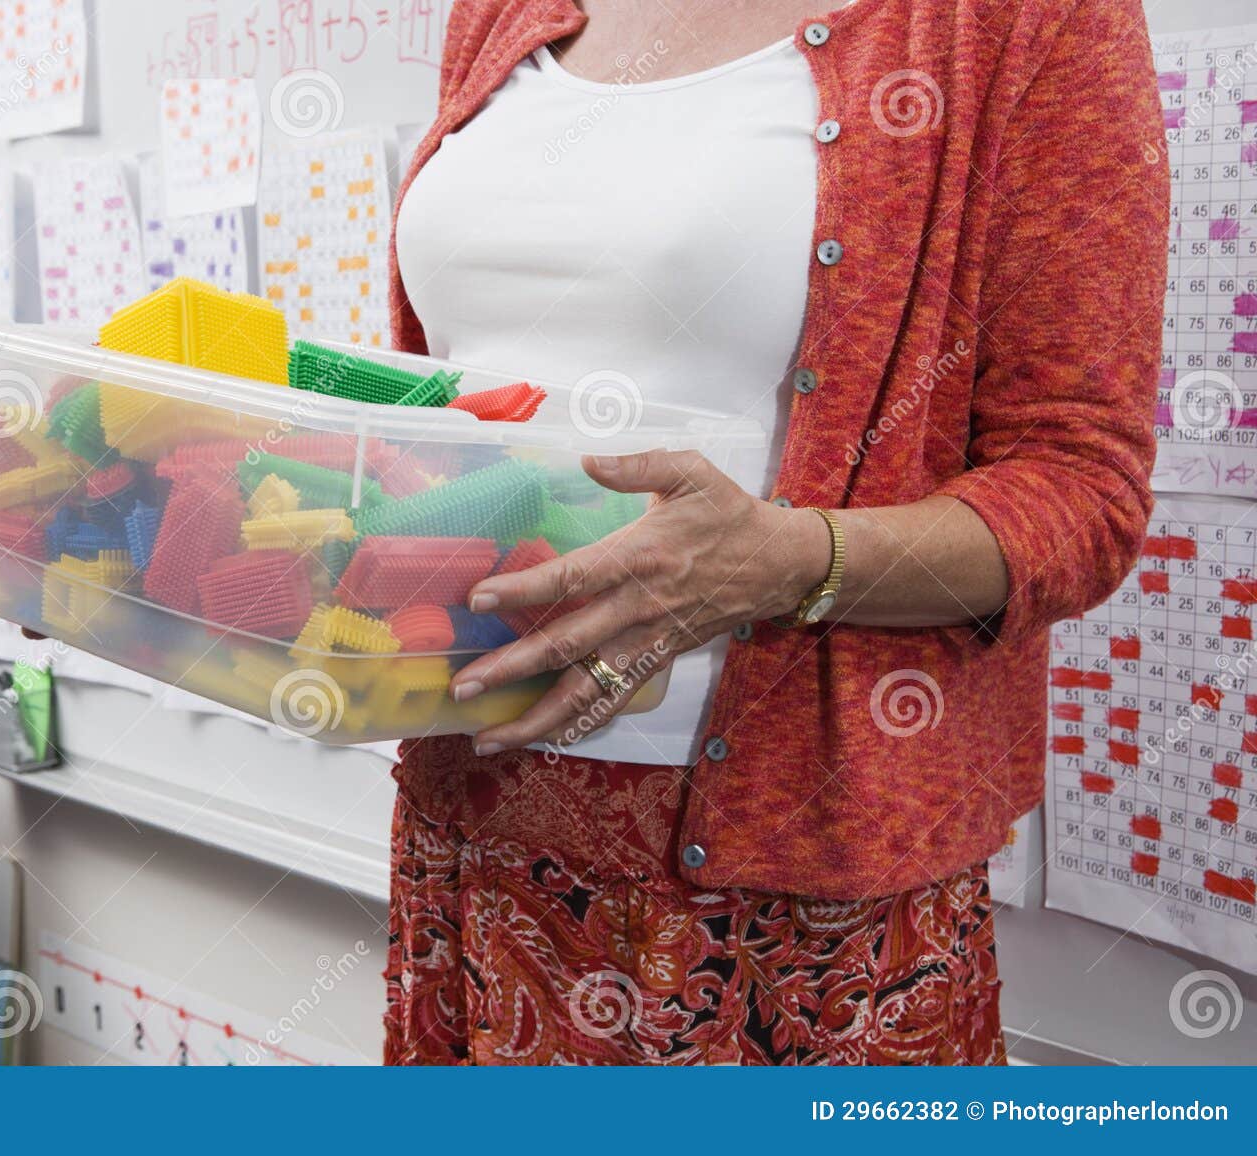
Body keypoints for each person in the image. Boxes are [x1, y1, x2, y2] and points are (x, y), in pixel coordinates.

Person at [383, 0, 1168, 1064]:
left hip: (790, 897)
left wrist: (779, 563)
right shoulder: (500, 13)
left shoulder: (1024, 21)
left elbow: (1082, 493)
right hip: (474, 815)